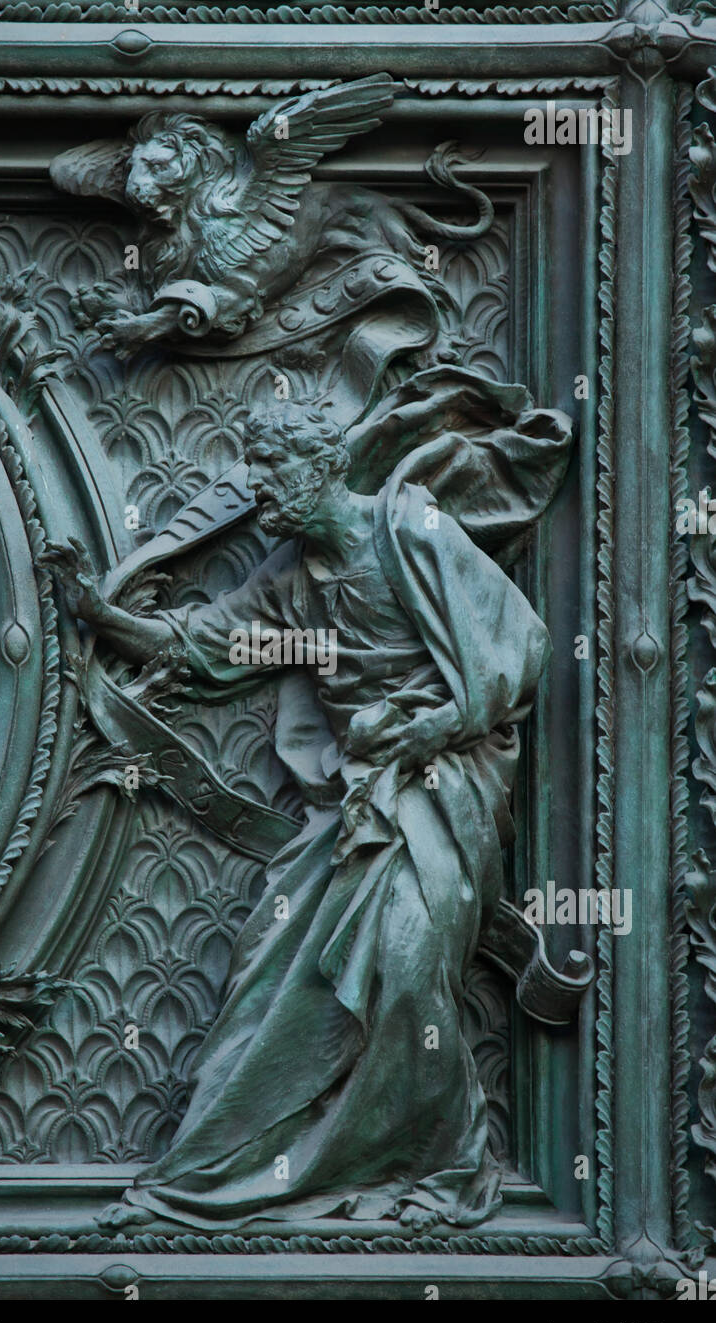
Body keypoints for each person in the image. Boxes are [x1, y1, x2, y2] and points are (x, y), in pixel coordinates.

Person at [45, 402, 552, 1231]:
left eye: (274, 473)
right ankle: (225, 1165)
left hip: (438, 784)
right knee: (270, 979)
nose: (261, 491)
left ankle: (449, 1165)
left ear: (322, 469)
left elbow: (518, 645)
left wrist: (436, 723)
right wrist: (99, 615)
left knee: (408, 961)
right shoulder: (291, 586)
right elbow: (196, 644)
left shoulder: (410, 527)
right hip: (355, 803)